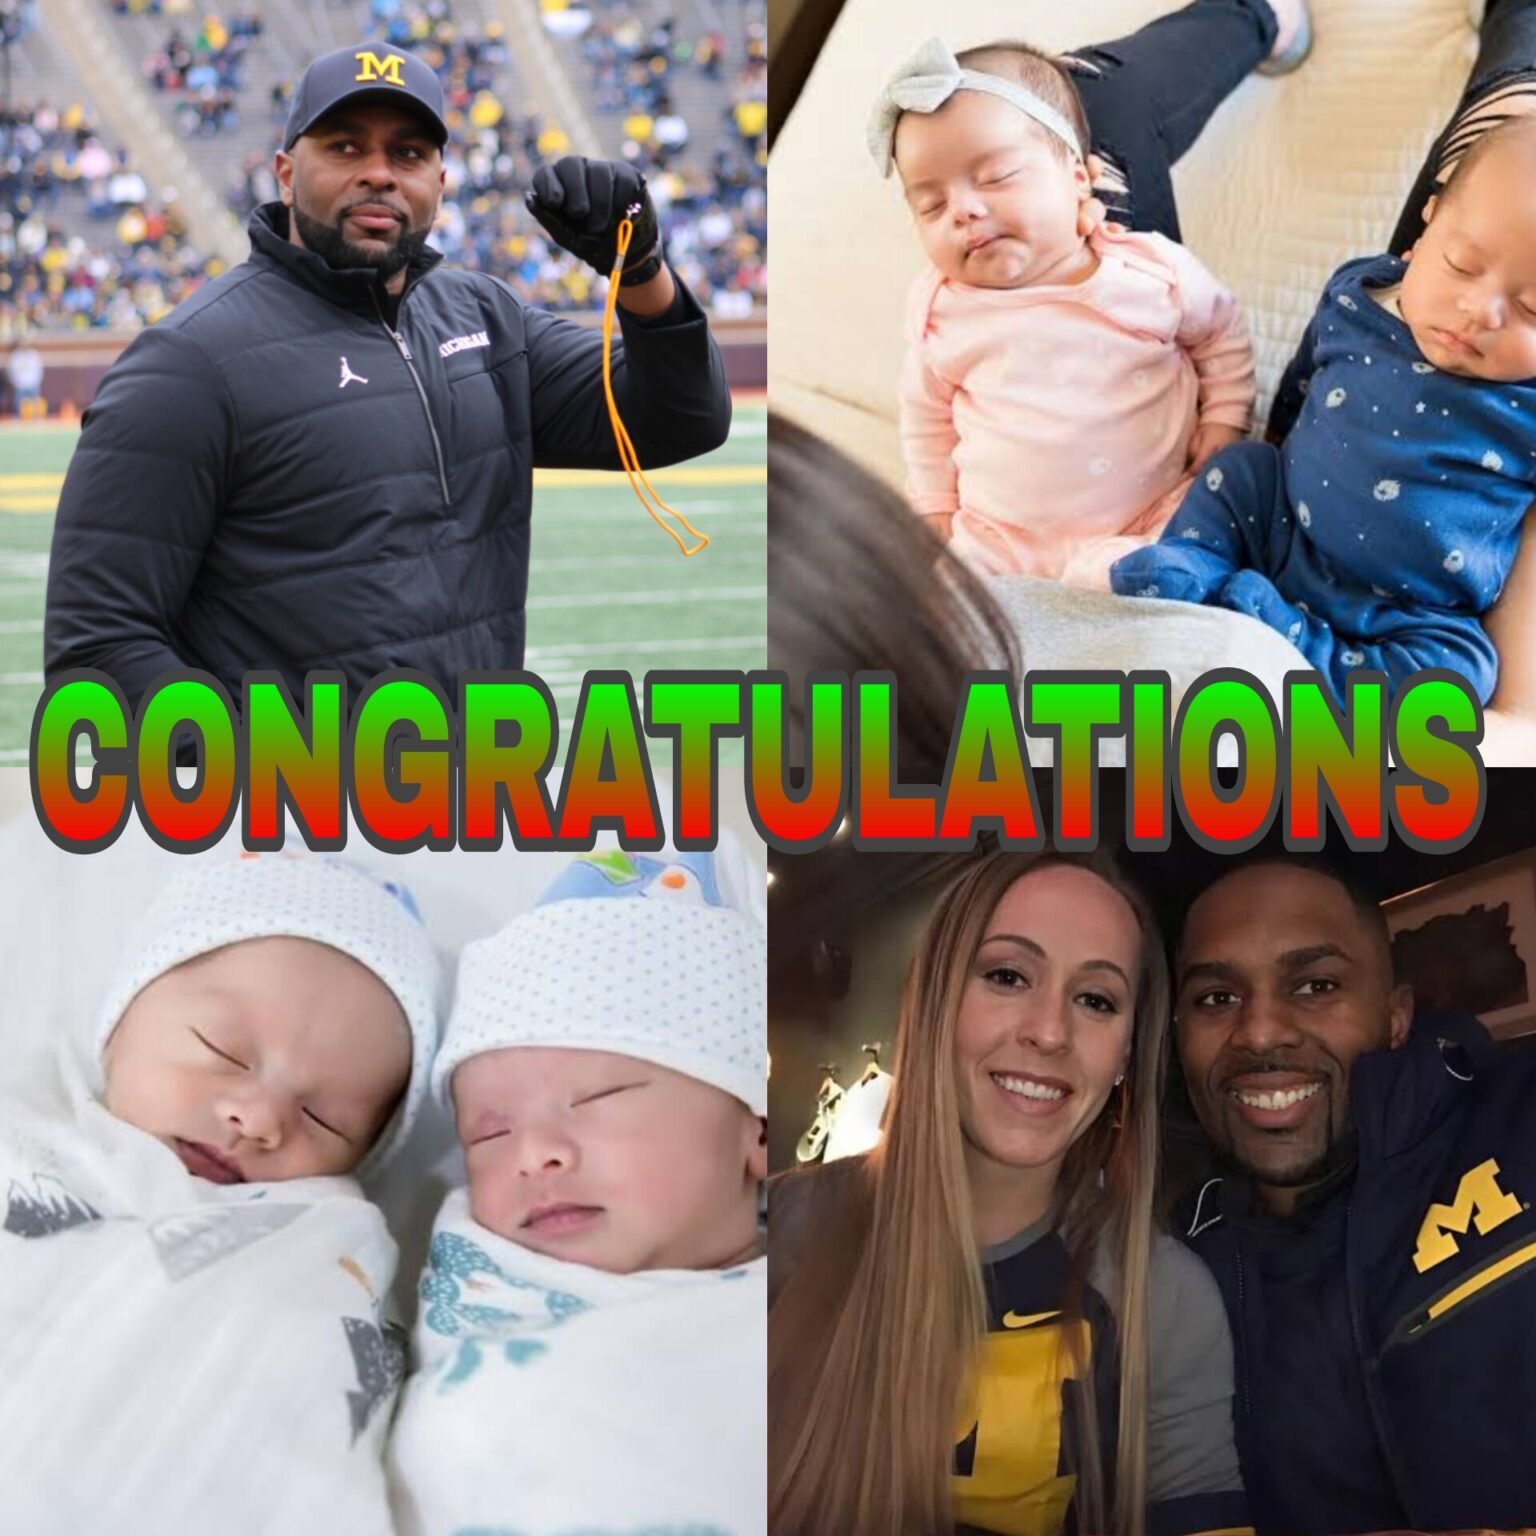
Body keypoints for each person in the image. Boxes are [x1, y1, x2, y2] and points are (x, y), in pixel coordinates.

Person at [43, 41, 732, 714]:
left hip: (471, 795)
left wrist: (639, 271)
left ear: (440, 180)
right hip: (302, 817)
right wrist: (274, 784)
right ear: (285, 172)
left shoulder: (486, 318)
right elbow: (99, 647)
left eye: (408, 153)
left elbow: (679, 419)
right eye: (345, 147)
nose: (379, 173)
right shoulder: (190, 362)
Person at [770, 850, 1249, 1536]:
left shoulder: (1164, 1295)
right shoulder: (777, 1228)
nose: (1050, 1032)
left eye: (1096, 1000)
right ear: (935, 1000)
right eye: (1007, 975)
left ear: (1124, 1058)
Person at [0, 853, 441, 1531]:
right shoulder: (23, 1130)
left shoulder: (326, 1245)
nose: (259, 1119)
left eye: (325, 1119)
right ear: (120, 1020)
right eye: (223, 1051)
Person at [388, 849, 765, 1536]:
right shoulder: (469, 1282)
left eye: (598, 1097)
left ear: (757, 1133)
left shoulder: (808, 1304)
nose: (535, 1155)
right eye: (488, 1135)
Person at [1111, 114, 1536, 700]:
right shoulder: (1359, 297)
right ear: (1428, 225)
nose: (1478, 311)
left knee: (1460, 677)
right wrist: (1281, 441)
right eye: (1461, 265)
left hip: (1407, 609)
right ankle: (1193, 565)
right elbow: (1304, 379)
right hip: (1286, 527)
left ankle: (1295, 639)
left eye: (1531, 309)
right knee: (1242, 470)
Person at [1172, 857, 1536, 1533]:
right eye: (1216, 999)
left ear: (1395, 1019)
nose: (1258, 1032)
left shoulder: (1520, 1124)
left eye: (1314, 985)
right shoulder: (1167, 1273)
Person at [874, 34, 1257, 586]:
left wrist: (1225, 416)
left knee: (1175, 558)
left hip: (1146, 519)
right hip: (997, 540)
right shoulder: (941, 311)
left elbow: (1221, 333)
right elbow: (927, 416)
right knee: (932, 610)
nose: (964, 210)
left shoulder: (1148, 274)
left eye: (996, 176)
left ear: (1079, 177)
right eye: (931, 204)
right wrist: (933, 505)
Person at [5, 338, 43, 419]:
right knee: (18, 403)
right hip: (20, 384)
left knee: (35, 402)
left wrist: (36, 381)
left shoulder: (33, 355)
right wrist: (15, 382)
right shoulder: (15, 356)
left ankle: (36, 419)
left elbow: (39, 369)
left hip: (32, 383)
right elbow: (11, 370)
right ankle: (17, 418)